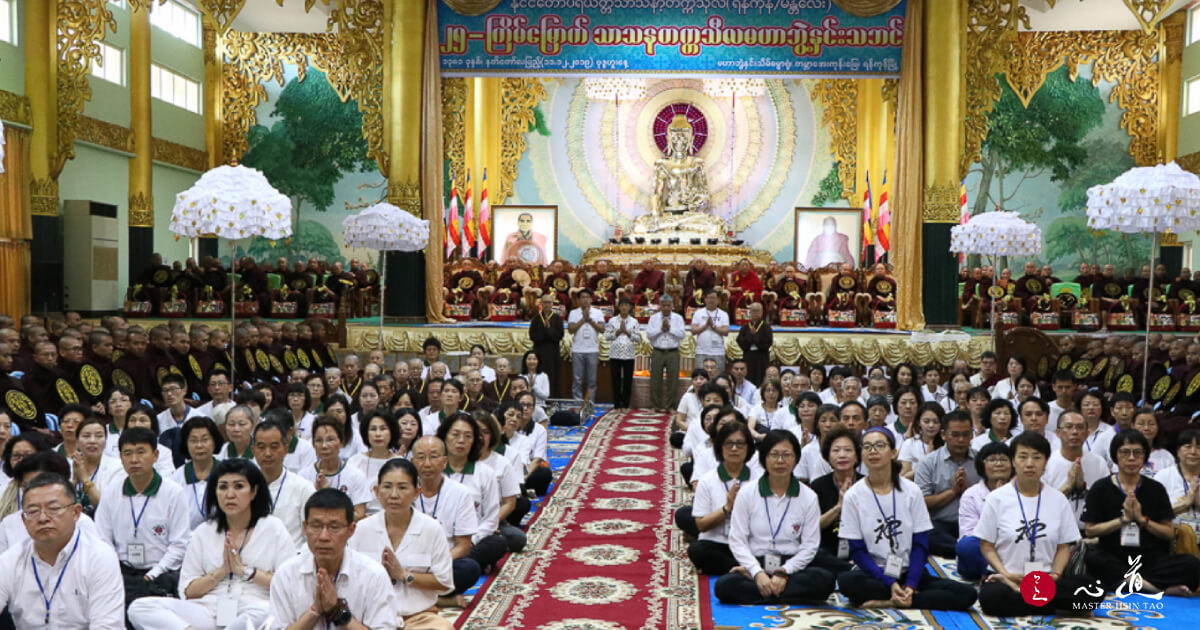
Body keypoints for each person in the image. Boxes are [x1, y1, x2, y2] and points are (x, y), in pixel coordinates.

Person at [127, 458, 297, 630]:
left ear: (254, 492)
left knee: (269, 613)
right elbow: (188, 591)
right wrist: (222, 571)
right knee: (139, 607)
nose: (230, 494)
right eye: (223, 487)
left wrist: (245, 571)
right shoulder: (204, 531)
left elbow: (289, 586)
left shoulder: (273, 528)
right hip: (209, 609)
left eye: (239, 486)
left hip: (253, 606)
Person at [838, 428, 977, 610]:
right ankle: (903, 596)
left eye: (880, 445)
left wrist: (911, 583)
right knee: (846, 581)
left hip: (909, 571)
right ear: (861, 454)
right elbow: (857, 551)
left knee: (967, 594)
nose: (873, 451)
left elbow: (920, 544)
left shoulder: (911, 491)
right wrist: (890, 583)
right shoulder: (853, 495)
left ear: (893, 452)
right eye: (867, 447)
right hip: (874, 573)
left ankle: (895, 601)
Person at [976, 432, 1104, 615]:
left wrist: (1055, 575)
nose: (1029, 463)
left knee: (1092, 590)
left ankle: (1022, 596)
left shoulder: (1058, 499)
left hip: (1046, 580)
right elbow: (986, 546)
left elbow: (1063, 547)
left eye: (1037, 458)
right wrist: (1005, 574)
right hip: (1008, 577)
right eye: (1023, 457)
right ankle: (1047, 603)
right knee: (991, 598)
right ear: (1013, 461)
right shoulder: (996, 498)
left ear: (1046, 462)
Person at [713, 430, 835, 604]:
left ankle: (766, 594)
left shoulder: (809, 497)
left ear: (796, 459)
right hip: (757, 562)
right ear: (764, 458)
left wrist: (784, 572)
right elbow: (737, 540)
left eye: (787, 455)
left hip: (792, 565)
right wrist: (756, 572)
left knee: (825, 580)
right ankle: (784, 595)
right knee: (724, 586)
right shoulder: (747, 493)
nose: (780, 461)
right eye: (774, 455)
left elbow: (810, 546)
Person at [0, 472, 125, 628]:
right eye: (33, 511)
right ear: (24, 521)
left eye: (53, 509)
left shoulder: (99, 557)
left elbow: (107, 625)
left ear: (76, 513)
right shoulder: (10, 560)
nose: (43, 518)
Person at [1082, 429, 1200, 595]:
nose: (1131, 458)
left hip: (1150, 560)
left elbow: (1169, 533)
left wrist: (1142, 520)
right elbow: (1090, 530)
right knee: (1093, 559)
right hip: (1115, 557)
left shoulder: (1156, 489)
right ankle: (1154, 588)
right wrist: (1123, 520)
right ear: (1115, 456)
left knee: (1191, 564)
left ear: (1145, 457)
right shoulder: (1100, 488)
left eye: (1137, 453)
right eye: (1125, 452)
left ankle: (1131, 582)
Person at [348, 459, 455, 630]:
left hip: (418, 617)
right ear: (376, 491)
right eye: (387, 487)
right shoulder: (361, 529)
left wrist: (405, 575)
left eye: (402, 487)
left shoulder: (431, 529)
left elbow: (444, 583)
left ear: (417, 492)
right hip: (370, 619)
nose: (394, 495)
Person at [269, 488, 396, 629]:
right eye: (316, 526)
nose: (324, 537)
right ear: (305, 528)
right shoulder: (286, 574)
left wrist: (338, 611)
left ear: (351, 530)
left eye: (334, 527)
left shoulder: (373, 575)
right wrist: (314, 610)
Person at [95, 426, 192, 606]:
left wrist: (153, 574)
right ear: (120, 457)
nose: (134, 459)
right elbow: (102, 538)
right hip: (121, 572)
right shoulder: (112, 491)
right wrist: (113, 570)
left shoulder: (173, 493)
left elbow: (179, 545)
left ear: (155, 455)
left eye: (141, 452)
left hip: (161, 573)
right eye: (127, 453)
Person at [409, 436, 483, 595]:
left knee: (469, 568)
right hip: (409, 560)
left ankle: (419, 592)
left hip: (444, 559)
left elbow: (463, 546)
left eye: (433, 457)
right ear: (412, 462)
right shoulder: (404, 490)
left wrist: (435, 564)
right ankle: (437, 596)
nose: (427, 464)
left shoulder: (460, 492)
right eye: (421, 457)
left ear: (444, 462)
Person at [685, 420, 758, 575]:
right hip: (718, 542)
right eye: (729, 444)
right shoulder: (707, 480)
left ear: (748, 448)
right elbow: (701, 525)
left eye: (740, 444)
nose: (734, 448)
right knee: (697, 550)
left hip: (749, 543)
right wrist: (727, 508)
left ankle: (740, 569)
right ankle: (744, 570)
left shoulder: (758, 480)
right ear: (719, 447)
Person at [913, 410, 979, 558]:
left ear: (972, 435)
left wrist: (967, 491)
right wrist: (953, 492)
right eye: (955, 435)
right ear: (943, 435)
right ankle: (966, 550)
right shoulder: (928, 462)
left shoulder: (981, 460)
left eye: (966, 434)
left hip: (974, 522)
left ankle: (965, 550)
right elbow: (922, 502)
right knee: (926, 534)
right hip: (940, 523)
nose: (961, 440)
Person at [252, 418, 316, 549]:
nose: (267, 453)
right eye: (261, 447)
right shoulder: (244, 487)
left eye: (274, 447)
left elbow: (311, 537)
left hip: (292, 557)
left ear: (286, 449)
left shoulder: (303, 488)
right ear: (253, 450)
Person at [954, 441, 1013, 581]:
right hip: (983, 550)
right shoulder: (971, 494)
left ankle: (1001, 576)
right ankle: (997, 574)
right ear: (982, 465)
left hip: (1013, 545)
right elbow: (969, 533)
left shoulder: (1022, 491)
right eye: (991, 460)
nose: (998, 464)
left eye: (1004, 459)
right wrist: (996, 502)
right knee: (966, 546)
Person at [810, 426, 863, 576]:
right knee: (813, 553)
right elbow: (812, 528)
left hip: (859, 548)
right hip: (827, 550)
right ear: (827, 456)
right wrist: (839, 506)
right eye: (836, 450)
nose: (842, 455)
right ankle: (850, 569)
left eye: (848, 450)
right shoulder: (818, 486)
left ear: (857, 456)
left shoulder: (867, 485)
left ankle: (852, 568)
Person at [302, 417, 372, 521]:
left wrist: (327, 494)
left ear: (341, 442)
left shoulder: (356, 476)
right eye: (319, 440)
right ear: (313, 444)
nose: (324, 446)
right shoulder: (303, 476)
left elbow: (359, 514)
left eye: (330, 440)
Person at [171, 416, 224, 530]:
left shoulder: (226, 472)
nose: (199, 445)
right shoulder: (177, 477)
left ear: (215, 441)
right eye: (193, 441)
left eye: (205, 440)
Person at [648, 294, 686, 413]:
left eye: (668, 305)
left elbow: (682, 335)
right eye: (663, 305)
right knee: (655, 379)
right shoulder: (654, 318)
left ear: (672, 306)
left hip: (673, 352)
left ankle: (671, 406)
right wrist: (661, 329)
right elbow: (649, 335)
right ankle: (655, 405)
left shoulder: (678, 318)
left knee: (673, 380)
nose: (666, 308)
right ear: (660, 306)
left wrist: (669, 328)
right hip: (657, 351)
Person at [567, 289, 605, 401]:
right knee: (577, 379)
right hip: (577, 350)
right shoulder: (573, 313)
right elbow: (571, 330)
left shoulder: (598, 313)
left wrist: (590, 320)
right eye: (582, 297)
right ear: (579, 300)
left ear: (591, 299)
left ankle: (589, 403)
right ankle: (577, 403)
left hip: (592, 350)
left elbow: (602, 329)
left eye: (587, 297)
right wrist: (583, 319)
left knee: (592, 380)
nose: (585, 300)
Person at [605, 297, 639, 410]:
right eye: (622, 305)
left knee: (628, 381)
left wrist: (627, 332)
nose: (624, 307)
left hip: (629, 354)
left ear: (630, 307)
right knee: (616, 380)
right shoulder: (612, 320)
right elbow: (607, 337)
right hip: (615, 354)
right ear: (618, 307)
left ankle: (625, 404)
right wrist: (618, 332)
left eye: (626, 305)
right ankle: (616, 404)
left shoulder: (634, 321)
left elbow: (638, 338)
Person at [528, 294, 565, 398]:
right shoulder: (536, 319)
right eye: (545, 302)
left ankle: (553, 399)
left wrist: (549, 329)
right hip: (539, 352)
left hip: (553, 353)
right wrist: (543, 330)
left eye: (549, 302)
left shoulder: (557, 319)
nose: (547, 305)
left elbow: (560, 335)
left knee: (553, 376)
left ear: (552, 304)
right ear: (541, 304)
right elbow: (532, 335)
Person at [898, 403, 943, 480]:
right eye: (926, 421)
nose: (931, 425)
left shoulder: (947, 444)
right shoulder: (910, 444)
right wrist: (926, 461)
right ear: (918, 422)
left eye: (936, 422)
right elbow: (903, 478)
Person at [692, 290, 730, 374]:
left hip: (718, 352)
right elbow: (693, 331)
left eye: (714, 298)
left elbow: (726, 332)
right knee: (701, 376)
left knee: (718, 377)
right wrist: (705, 326)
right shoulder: (698, 313)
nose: (711, 300)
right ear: (705, 299)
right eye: (709, 298)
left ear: (718, 300)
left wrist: (713, 326)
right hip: (702, 351)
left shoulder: (723, 314)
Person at [736, 303, 773, 387]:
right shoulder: (745, 327)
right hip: (749, 357)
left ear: (762, 312)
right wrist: (750, 336)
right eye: (753, 311)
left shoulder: (766, 327)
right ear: (750, 312)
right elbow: (740, 341)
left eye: (757, 311)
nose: (755, 313)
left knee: (761, 380)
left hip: (762, 358)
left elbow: (768, 342)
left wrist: (755, 336)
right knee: (748, 379)